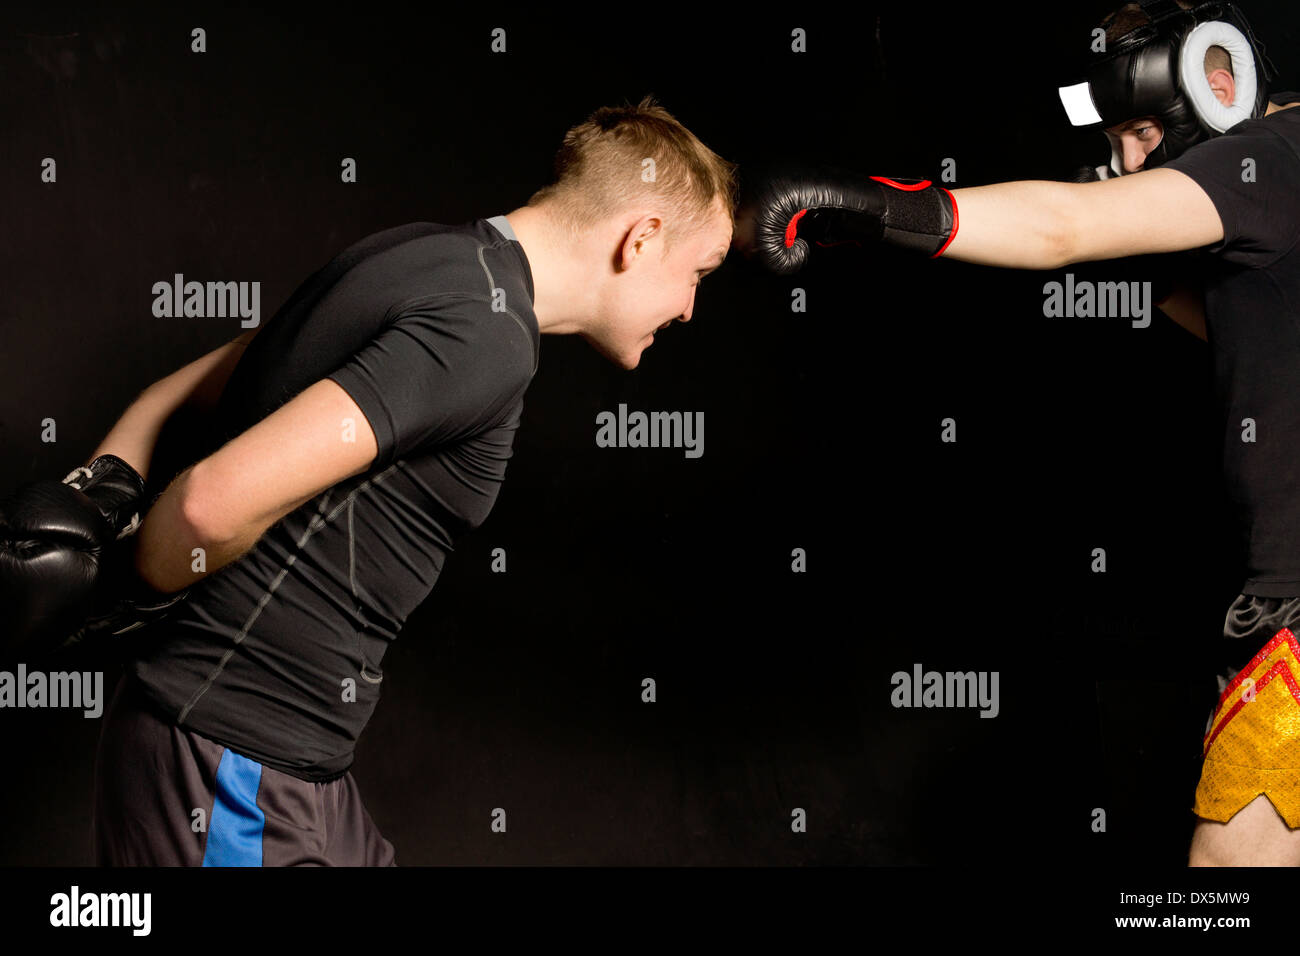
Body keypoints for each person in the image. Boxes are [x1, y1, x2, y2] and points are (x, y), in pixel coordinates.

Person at [0, 94, 735, 865]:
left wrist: (98, 489)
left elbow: (168, 398)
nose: (690, 309)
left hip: (292, 768)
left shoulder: (421, 256)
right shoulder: (484, 336)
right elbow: (211, 506)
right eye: (700, 273)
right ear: (642, 238)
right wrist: (118, 591)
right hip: (230, 767)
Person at [735, 0, 1300, 865]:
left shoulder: (1266, 156)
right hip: (1276, 595)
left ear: (1218, 82)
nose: (1128, 160)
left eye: (1143, 131)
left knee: (1229, 869)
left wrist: (875, 210)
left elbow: (1060, 228)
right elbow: (1243, 326)